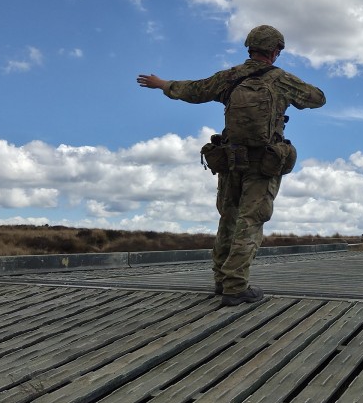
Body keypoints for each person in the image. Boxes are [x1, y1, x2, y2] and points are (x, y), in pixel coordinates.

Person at [137, 25, 326, 306]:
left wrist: (164, 84)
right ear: (275, 51)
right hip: (264, 162)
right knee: (250, 221)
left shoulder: (230, 78)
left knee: (228, 218)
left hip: (231, 159)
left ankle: (221, 281)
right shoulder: (281, 80)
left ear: (249, 47)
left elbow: (195, 91)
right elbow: (318, 98)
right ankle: (236, 287)